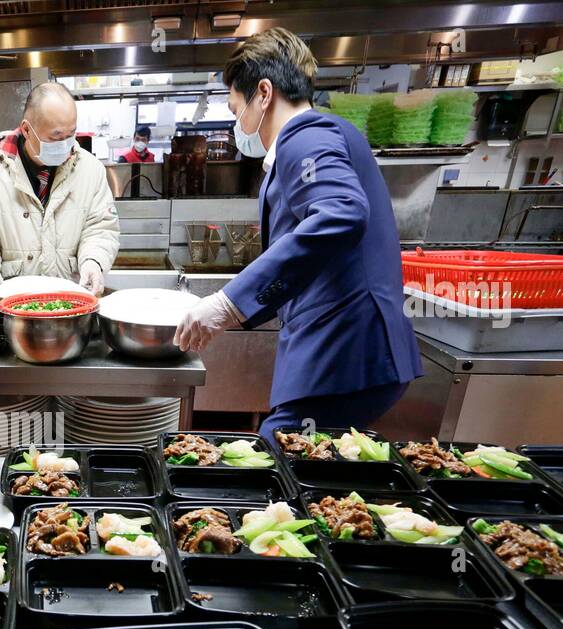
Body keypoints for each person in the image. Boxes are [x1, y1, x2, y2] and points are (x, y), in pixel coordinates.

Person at [174, 29, 422, 438]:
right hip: (354, 354)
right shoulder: (329, 132)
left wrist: (227, 303)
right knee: (308, 467)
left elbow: (342, 213)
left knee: (282, 454)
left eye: (236, 108)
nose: (238, 122)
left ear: (264, 93)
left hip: (344, 351)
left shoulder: (305, 138)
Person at [0, 82, 119, 297]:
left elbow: (100, 228)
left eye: (71, 135)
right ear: (26, 129)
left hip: (71, 305)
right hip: (11, 309)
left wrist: (93, 262)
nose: (65, 145)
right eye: (55, 137)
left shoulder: (90, 170)